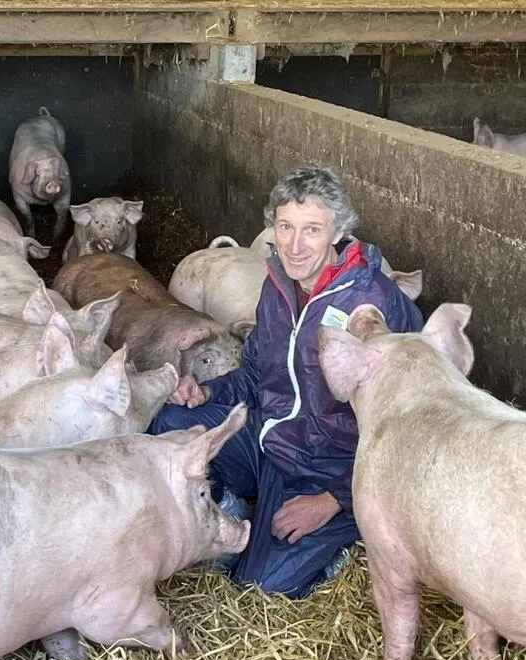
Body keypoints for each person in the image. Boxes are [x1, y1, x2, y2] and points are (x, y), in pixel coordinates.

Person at [148, 164, 423, 598]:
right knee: (169, 426)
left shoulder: (376, 305)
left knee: (261, 588)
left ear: (338, 231)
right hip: (272, 442)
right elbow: (256, 373)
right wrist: (207, 392)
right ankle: (236, 522)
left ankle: (346, 540)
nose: (295, 246)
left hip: (334, 470)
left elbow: (406, 424)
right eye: (285, 227)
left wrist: (331, 501)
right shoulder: (276, 288)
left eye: (312, 230)